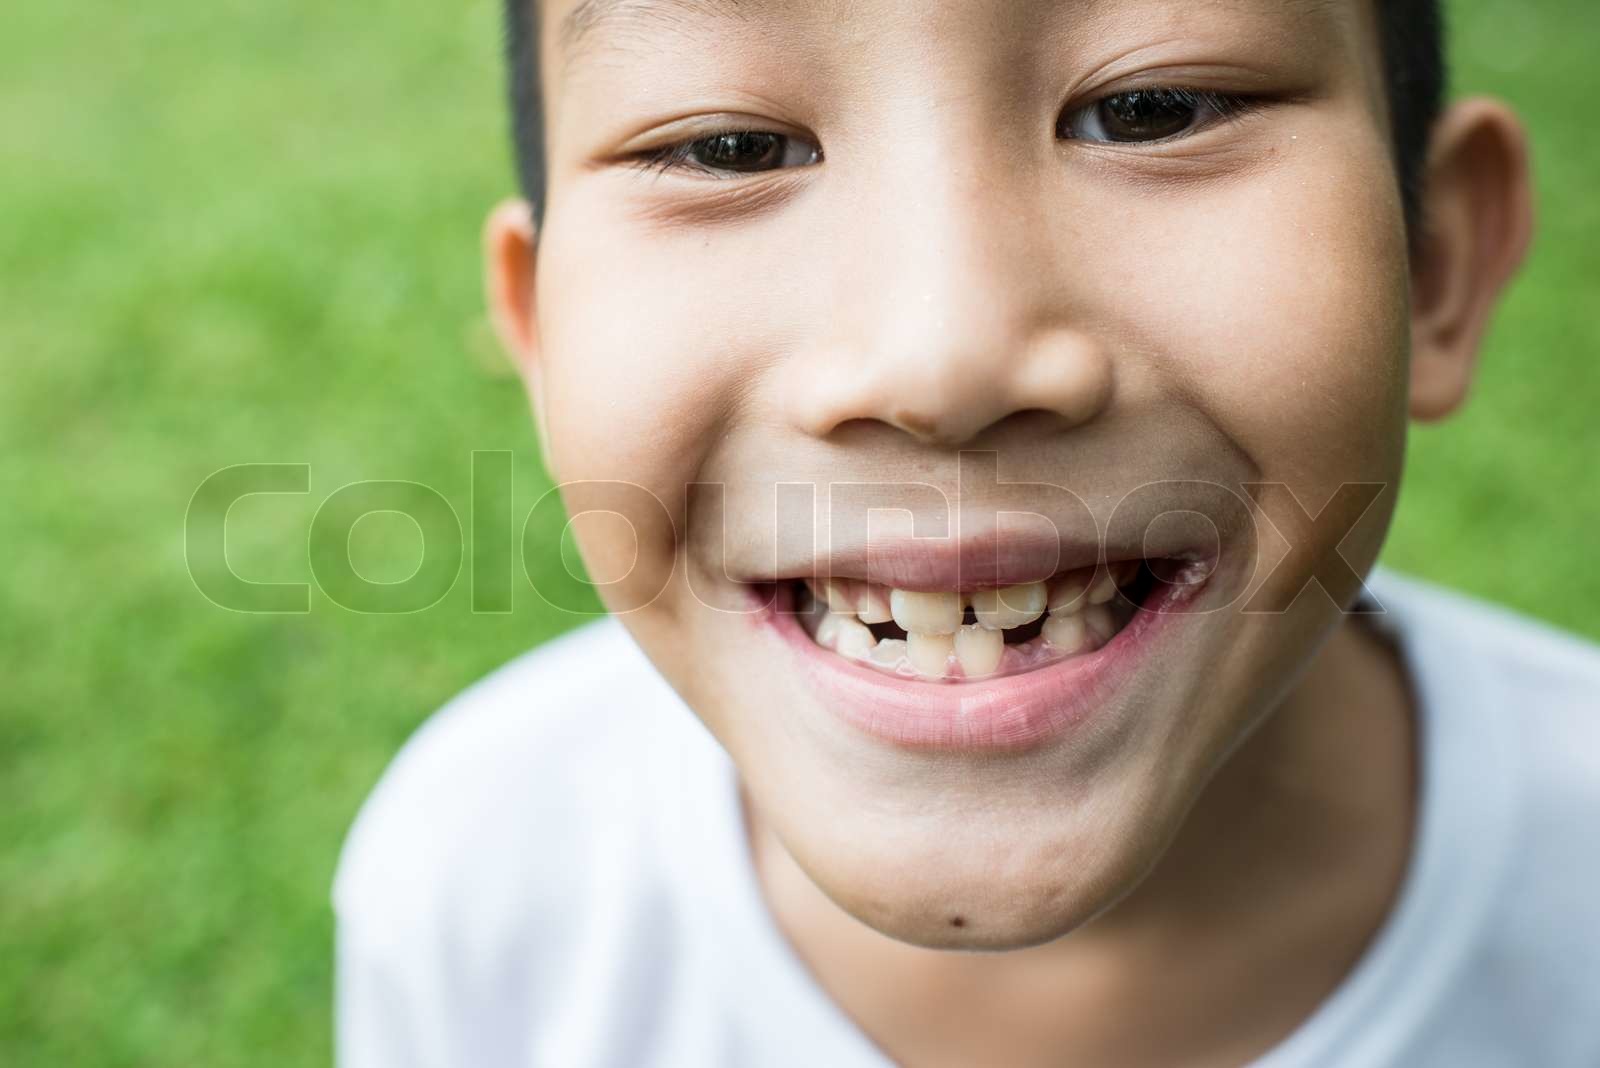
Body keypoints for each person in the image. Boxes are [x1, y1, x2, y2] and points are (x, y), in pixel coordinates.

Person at [334, 1, 1600, 1064]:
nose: (944, 355)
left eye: (1153, 108)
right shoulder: (481, 880)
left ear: (1431, 258)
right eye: (729, 145)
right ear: (544, 331)